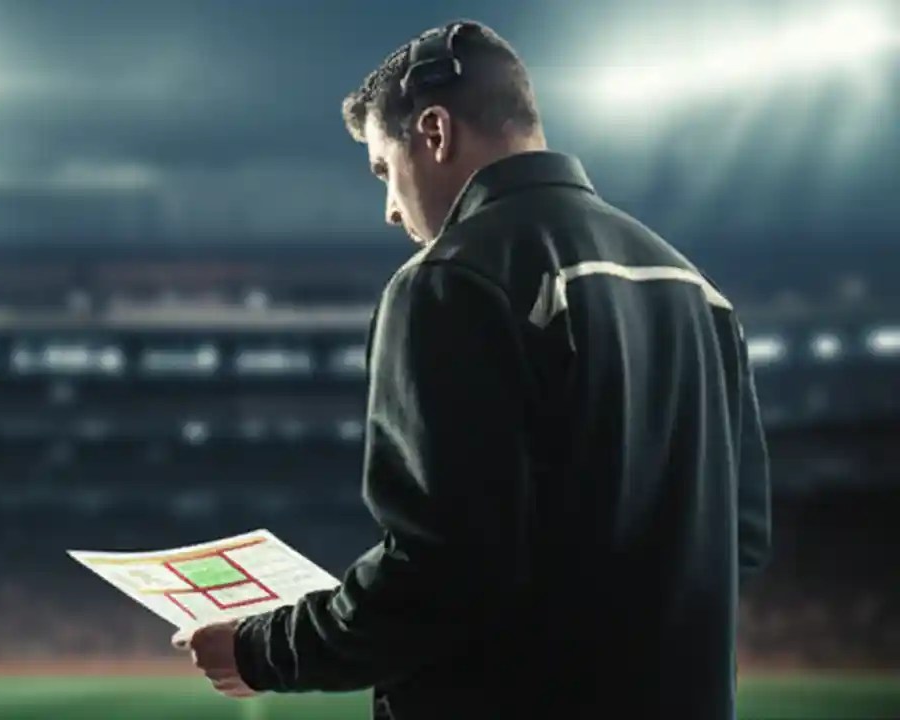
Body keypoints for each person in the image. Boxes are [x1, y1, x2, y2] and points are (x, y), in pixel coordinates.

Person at [174, 19, 771, 720]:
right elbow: (743, 538)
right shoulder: (695, 288)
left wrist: (262, 650)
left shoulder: (452, 280)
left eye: (382, 171)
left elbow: (442, 568)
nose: (391, 210)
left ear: (433, 132)